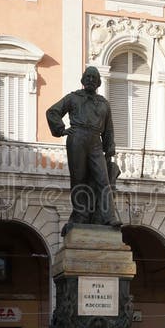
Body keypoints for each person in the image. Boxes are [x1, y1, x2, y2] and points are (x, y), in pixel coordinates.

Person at [46, 65, 121, 234]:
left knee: (103, 179)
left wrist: (110, 147)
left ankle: (108, 216)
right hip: (77, 138)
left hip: (95, 140)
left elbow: (109, 129)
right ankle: (81, 214)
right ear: (82, 80)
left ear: (99, 82)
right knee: (79, 179)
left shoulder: (104, 104)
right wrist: (61, 130)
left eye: (94, 78)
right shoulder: (73, 98)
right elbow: (52, 112)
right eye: (87, 77)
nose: (90, 80)